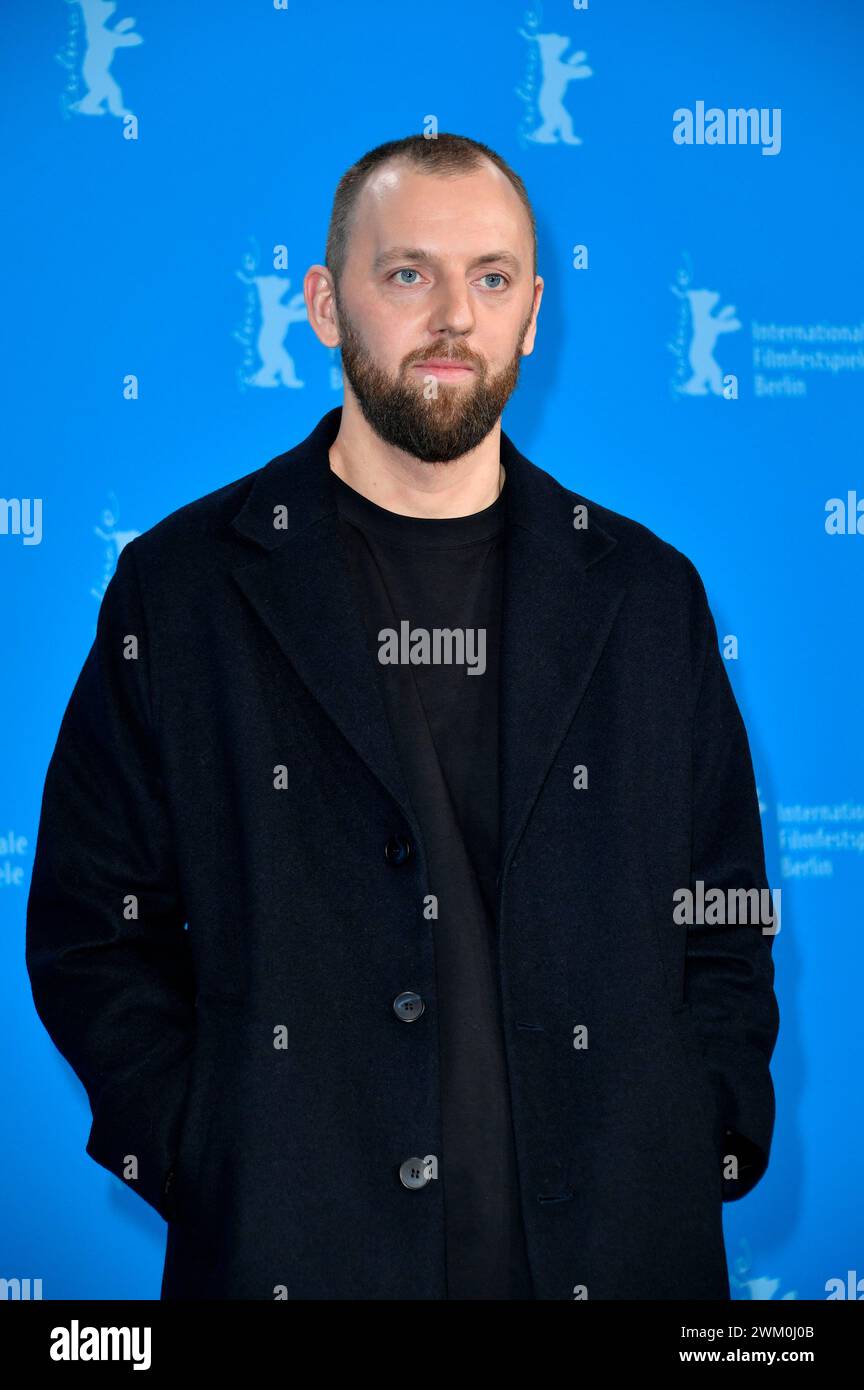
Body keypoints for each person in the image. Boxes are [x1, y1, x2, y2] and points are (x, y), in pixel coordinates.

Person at [26, 132, 779, 1301]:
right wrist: (219, 1152)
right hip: (297, 1258)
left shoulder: (646, 592)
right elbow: (87, 924)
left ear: (533, 313)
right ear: (326, 304)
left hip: (616, 1255)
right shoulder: (179, 589)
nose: (453, 318)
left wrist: (699, 1121)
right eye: (407, 273)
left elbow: (723, 909)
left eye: (490, 278)